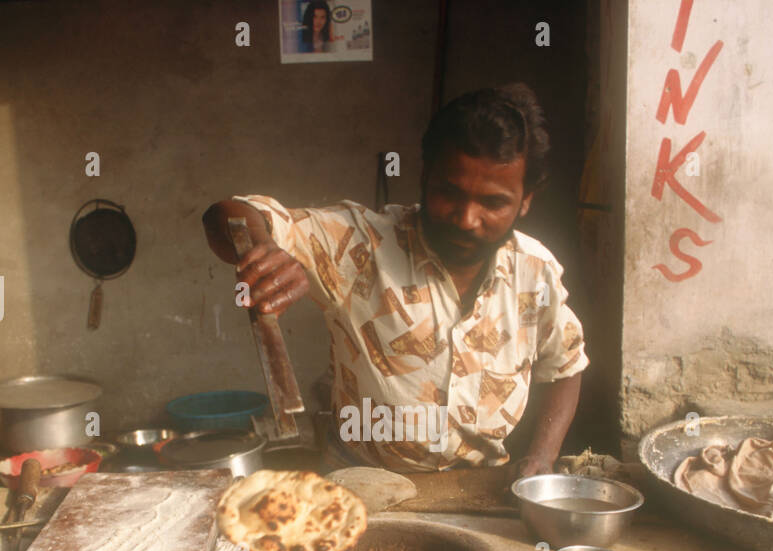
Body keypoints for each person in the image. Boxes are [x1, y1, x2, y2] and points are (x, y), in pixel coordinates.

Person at [201, 83, 587, 476]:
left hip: (480, 486)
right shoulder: (360, 246)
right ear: (425, 176)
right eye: (448, 193)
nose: (467, 218)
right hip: (361, 483)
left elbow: (566, 366)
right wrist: (261, 245)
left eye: (493, 202)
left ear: (525, 200)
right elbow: (229, 213)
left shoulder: (535, 271)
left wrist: (542, 457)